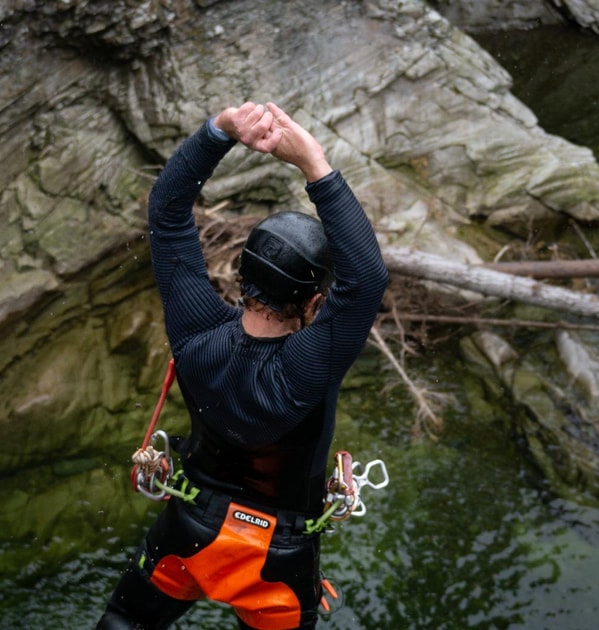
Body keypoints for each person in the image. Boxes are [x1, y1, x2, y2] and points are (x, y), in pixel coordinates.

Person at [97, 101, 389, 630]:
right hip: (275, 562)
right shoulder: (306, 367)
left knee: (126, 623)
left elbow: (167, 209)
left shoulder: (195, 332)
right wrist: (314, 165)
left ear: (240, 271)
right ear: (315, 305)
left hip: (187, 531)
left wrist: (222, 130)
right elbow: (366, 280)